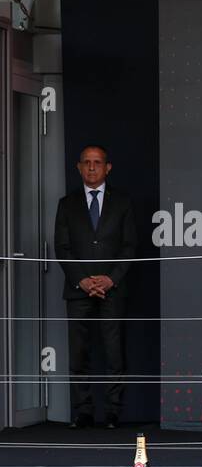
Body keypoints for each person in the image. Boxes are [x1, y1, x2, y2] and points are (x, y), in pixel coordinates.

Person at [55, 145, 137, 429]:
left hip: (112, 289)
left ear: (108, 167)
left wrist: (110, 278)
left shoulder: (123, 202)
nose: (92, 168)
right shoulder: (67, 204)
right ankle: (84, 411)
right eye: (87, 163)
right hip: (79, 290)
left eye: (97, 162)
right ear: (78, 167)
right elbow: (62, 248)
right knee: (79, 353)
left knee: (114, 353)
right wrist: (83, 280)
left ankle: (113, 412)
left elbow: (129, 246)